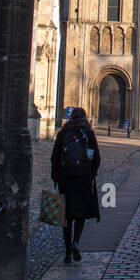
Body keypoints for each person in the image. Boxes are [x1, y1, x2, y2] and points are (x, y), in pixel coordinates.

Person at [50, 106, 100, 264]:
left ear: (71, 118)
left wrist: (56, 177)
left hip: (66, 180)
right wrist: (91, 173)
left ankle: (67, 253)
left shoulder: (63, 133)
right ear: (84, 118)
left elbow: (55, 157)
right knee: (81, 214)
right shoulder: (88, 132)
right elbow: (97, 157)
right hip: (83, 178)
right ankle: (76, 242)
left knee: (66, 217)